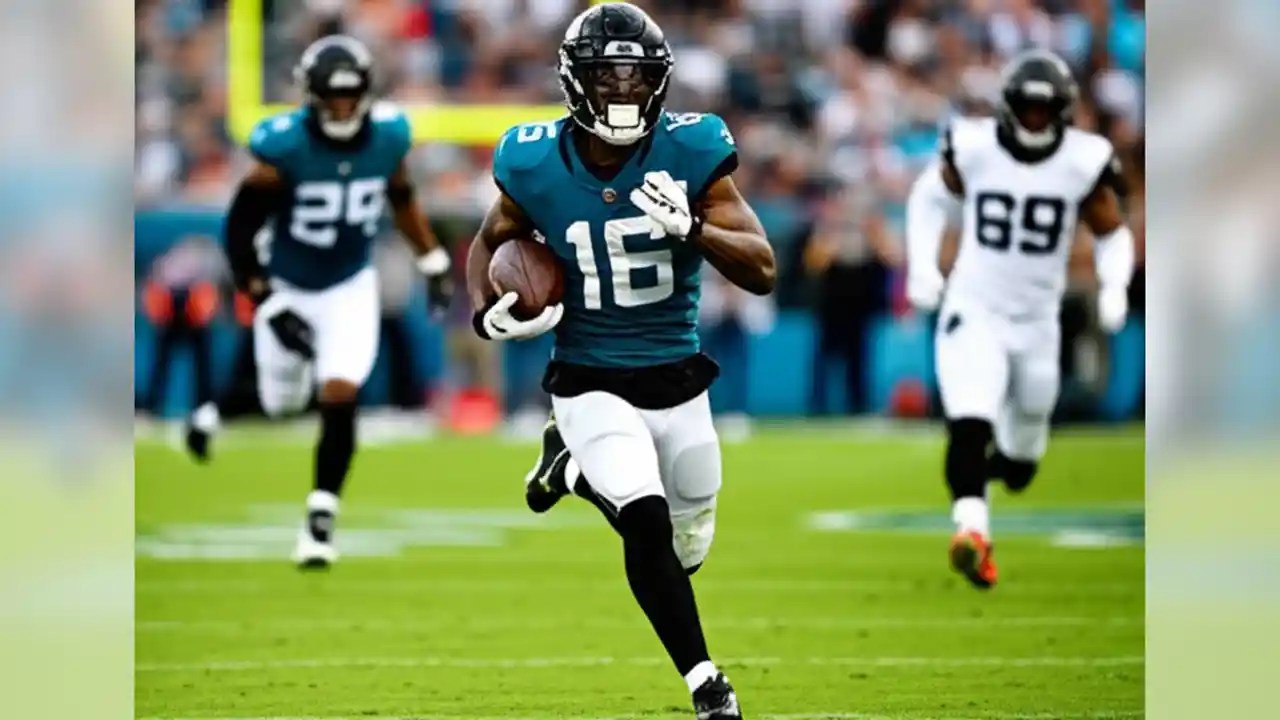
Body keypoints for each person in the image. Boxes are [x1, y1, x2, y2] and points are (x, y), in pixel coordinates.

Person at [464, 5, 774, 718]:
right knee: (643, 518)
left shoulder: (694, 149)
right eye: (608, 76)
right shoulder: (533, 159)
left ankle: (567, 470)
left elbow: (761, 270)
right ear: (577, 82)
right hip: (588, 376)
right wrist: (489, 311)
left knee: (689, 543)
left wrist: (692, 227)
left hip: (676, 373)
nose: (624, 92)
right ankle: (706, 684)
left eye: (637, 77)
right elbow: (490, 241)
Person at [182, 35, 453, 569]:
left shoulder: (388, 138)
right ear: (312, 95)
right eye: (332, 96)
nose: (343, 107)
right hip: (286, 281)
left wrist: (434, 263)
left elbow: (401, 199)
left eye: (351, 95)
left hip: (349, 283)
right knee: (280, 402)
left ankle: (320, 519)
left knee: (339, 390)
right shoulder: (284, 146)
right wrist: (269, 303)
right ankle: (214, 411)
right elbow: (240, 229)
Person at [905, 50, 1134, 589]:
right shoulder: (975, 146)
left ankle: (990, 481)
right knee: (970, 419)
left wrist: (1115, 284)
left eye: (1044, 109)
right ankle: (971, 530)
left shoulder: (1084, 159)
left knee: (1023, 461)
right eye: (1026, 108)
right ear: (1008, 107)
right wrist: (922, 267)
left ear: (1063, 111)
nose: (1034, 119)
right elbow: (929, 198)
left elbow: (1111, 230)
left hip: (1038, 322)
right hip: (975, 306)